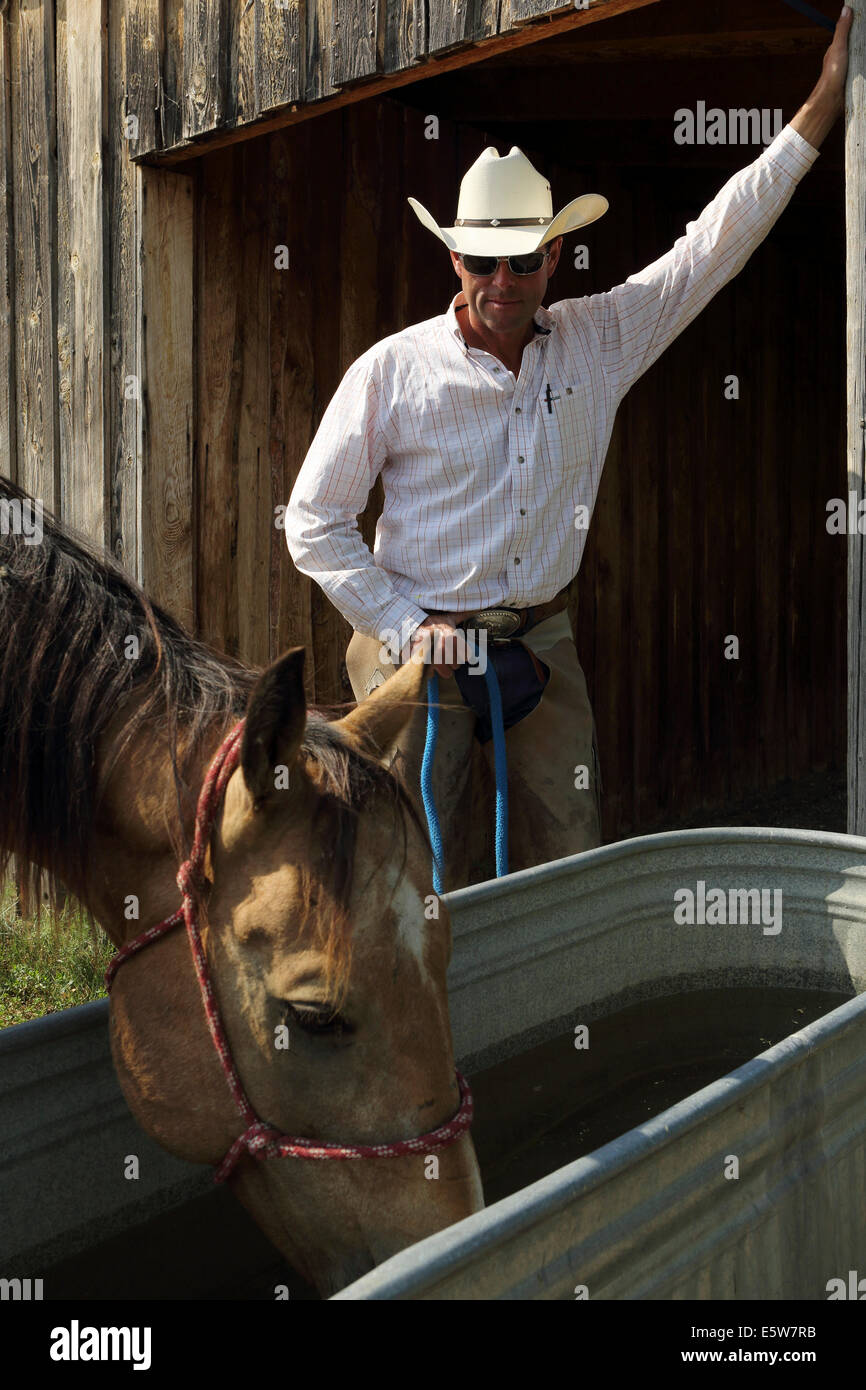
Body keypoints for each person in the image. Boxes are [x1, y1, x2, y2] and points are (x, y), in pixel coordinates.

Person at [285, 8, 853, 891]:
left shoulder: (602, 339)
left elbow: (712, 247)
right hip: (416, 651)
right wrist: (402, 626)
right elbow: (313, 521)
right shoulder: (392, 372)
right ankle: (435, 1029)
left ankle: (556, 1022)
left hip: (538, 643)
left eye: (522, 260)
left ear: (556, 256)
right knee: (408, 870)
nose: (500, 282)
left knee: (570, 860)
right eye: (482, 260)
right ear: (454, 260)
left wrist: (821, 106)